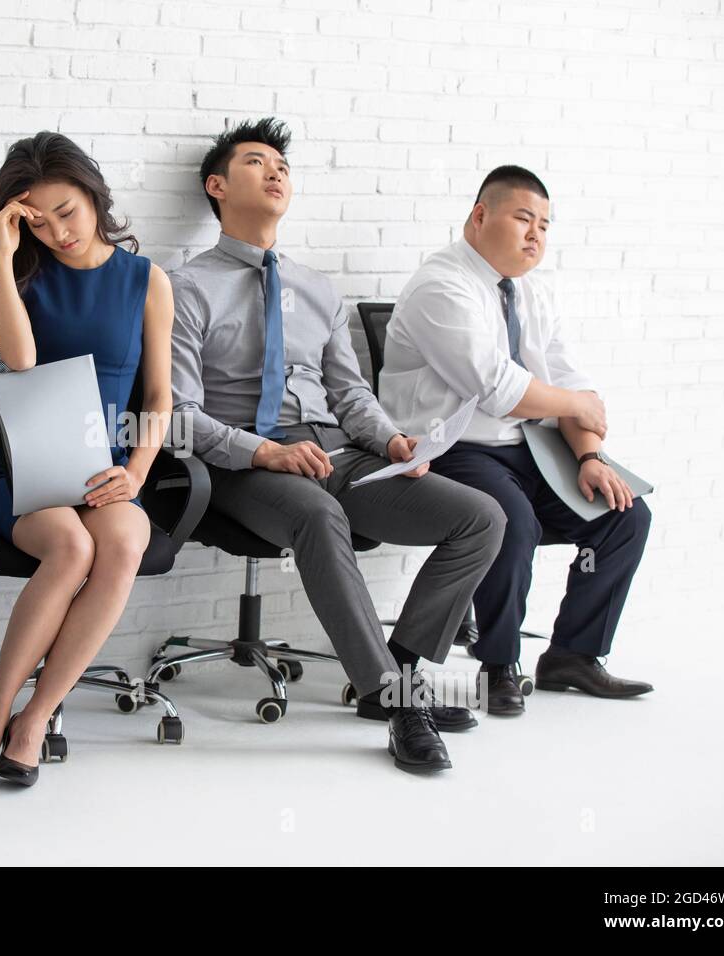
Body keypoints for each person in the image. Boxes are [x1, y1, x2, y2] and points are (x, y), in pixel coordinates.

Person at [169, 118, 506, 774]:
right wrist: (263, 453)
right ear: (216, 185)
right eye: (257, 163)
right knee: (318, 514)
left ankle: (401, 666)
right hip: (247, 462)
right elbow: (178, 416)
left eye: (283, 167)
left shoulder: (318, 291)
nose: (276, 173)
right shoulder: (185, 288)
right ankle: (397, 701)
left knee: (480, 517)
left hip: (338, 454)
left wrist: (393, 440)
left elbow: (350, 394)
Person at [380, 165, 654, 717]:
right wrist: (574, 405)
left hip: (529, 450)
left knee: (626, 514)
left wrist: (590, 456)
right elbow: (498, 389)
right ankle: (499, 664)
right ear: (479, 216)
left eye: (546, 226)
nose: (536, 235)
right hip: (451, 449)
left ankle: (574, 655)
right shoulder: (442, 285)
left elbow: (570, 384)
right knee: (512, 519)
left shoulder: (532, 295)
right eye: (524, 218)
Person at [0, 132, 173, 789]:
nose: (58, 232)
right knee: (71, 549)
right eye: (38, 221)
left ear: (94, 197)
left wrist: (136, 470)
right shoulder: (24, 272)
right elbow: (18, 360)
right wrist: (4, 252)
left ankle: (35, 716)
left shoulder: (145, 280)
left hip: (101, 469)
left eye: (67, 213)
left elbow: (159, 395)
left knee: (124, 542)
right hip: (24, 468)